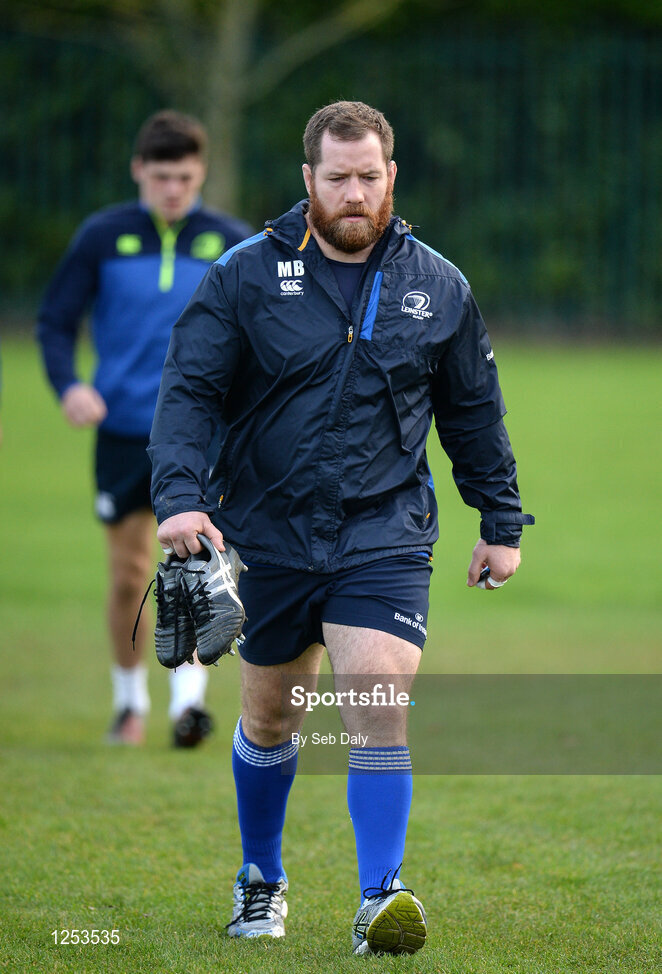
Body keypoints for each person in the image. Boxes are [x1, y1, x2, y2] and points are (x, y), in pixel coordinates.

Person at [148, 101, 534, 954]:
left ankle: (379, 897)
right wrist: (180, 497)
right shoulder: (246, 276)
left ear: (391, 175)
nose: (354, 194)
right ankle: (261, 881)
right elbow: (190, 393)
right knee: (273, 721)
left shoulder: (438, 286)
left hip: (384, 531)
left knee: (377, 706)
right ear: (308, 181)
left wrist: (500, 519)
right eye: (337, 179)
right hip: (268, 532)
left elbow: (474, 413)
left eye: (369, 177)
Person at [37, 110, 253, 748]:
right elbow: (54, 321)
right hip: (126, 429)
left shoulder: (233, 242)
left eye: (184, 177)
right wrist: (69, 385)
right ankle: (129, 702)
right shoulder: (102, 237)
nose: (173, 190)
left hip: (205, 435)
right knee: (131, 572)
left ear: (202, 173)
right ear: (139, 170)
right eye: (161, 176)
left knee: (200, 565)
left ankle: (188, 705)